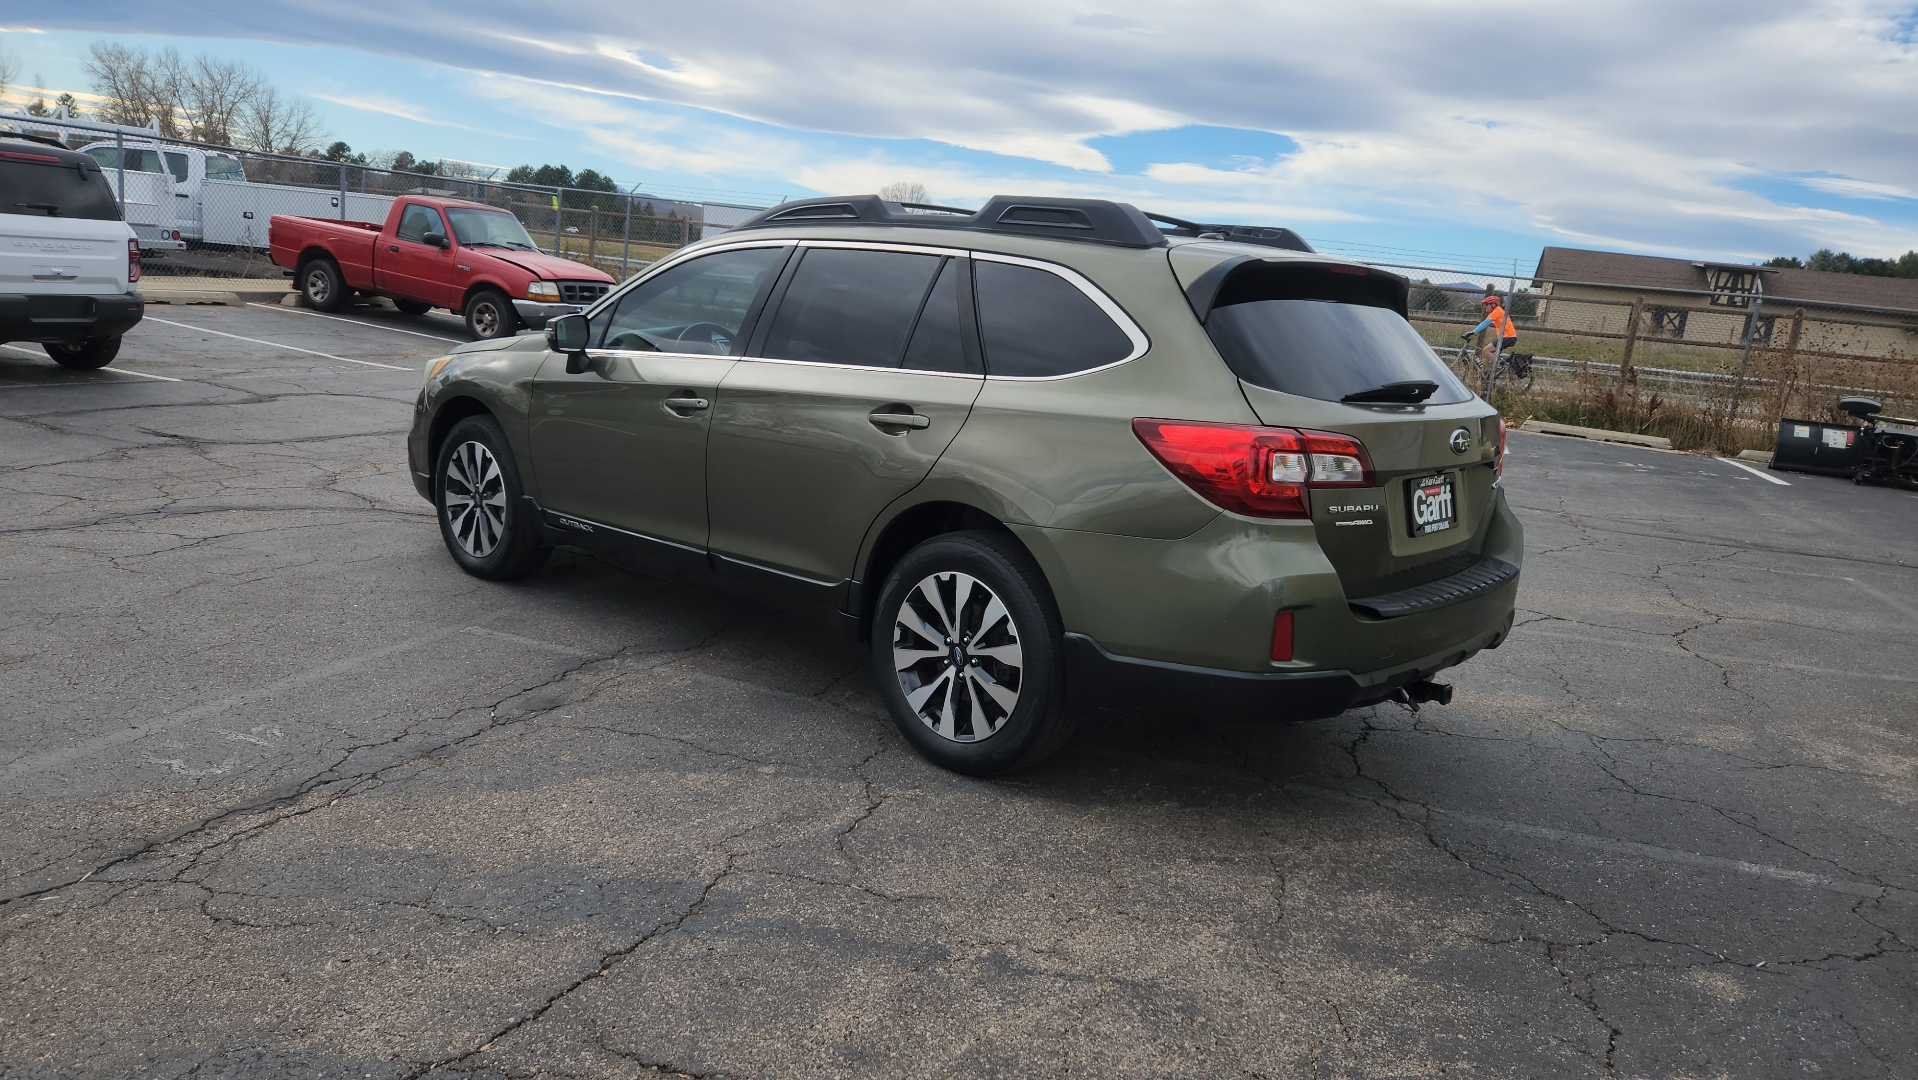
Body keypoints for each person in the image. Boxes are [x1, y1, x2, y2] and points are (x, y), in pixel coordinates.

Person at [1463, 293, 1518, 367]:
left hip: (1507, 337)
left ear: (1493, 305)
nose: (1485, 307)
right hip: (1507, 337)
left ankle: (1499, 366)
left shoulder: (1497, 311)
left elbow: (1485, 323)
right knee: (1485, 353)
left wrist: (1473, 332)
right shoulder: (1497, 311)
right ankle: (1485, 372)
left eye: (1487, 304)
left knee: (1486, 350)